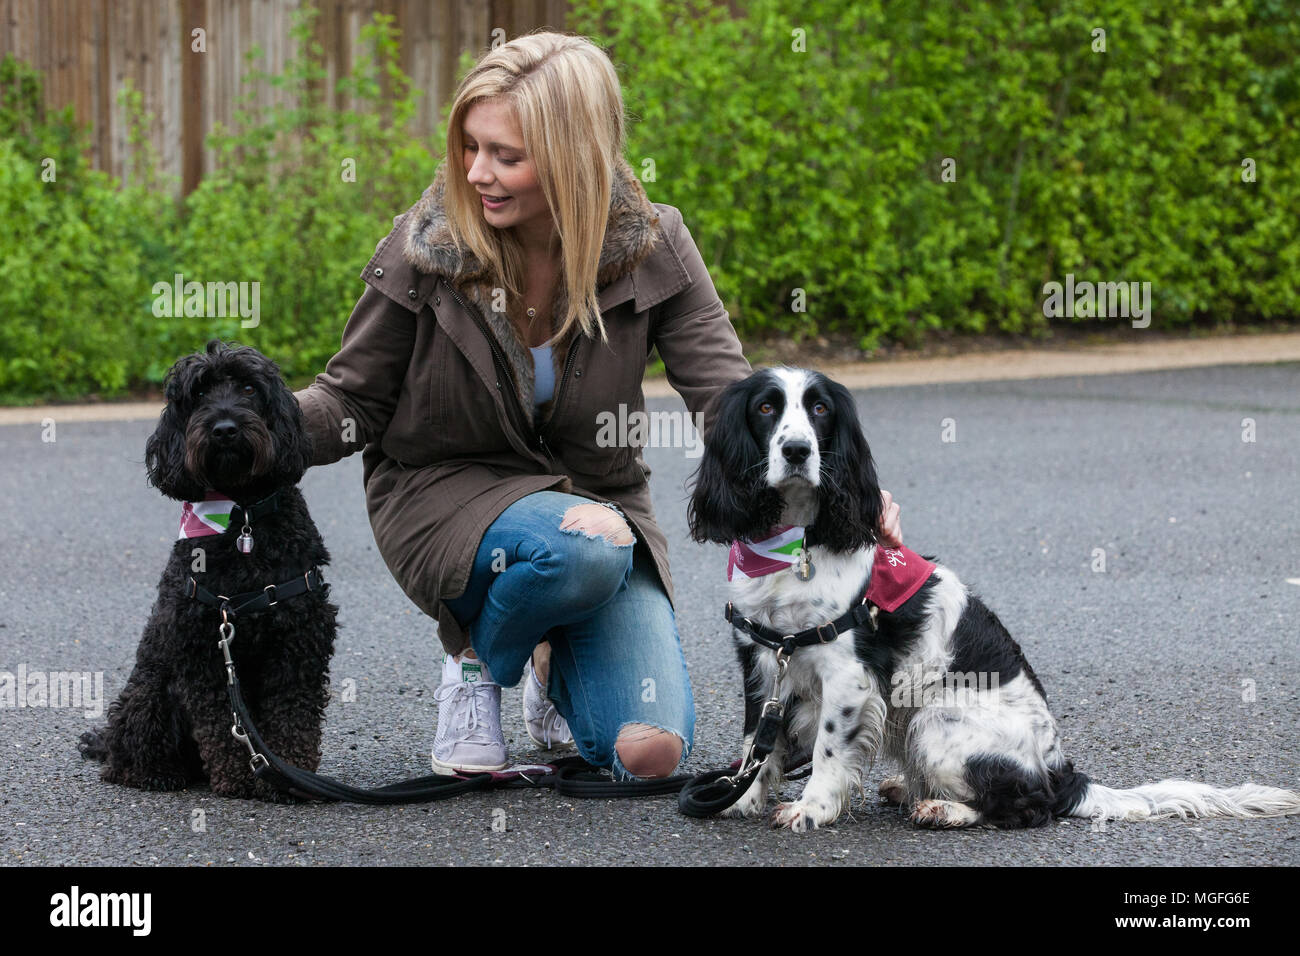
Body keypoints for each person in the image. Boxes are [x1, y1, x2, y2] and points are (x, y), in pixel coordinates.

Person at [295, 31, 902, 781]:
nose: (477, 172)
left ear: (573, 155)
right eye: (469, 147)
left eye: (506, 156)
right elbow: (349, 397)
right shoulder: (430, 245)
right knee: (583, 547)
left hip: (601, 507)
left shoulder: (653, 245)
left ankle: (549, 654)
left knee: (648, 755)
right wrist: (259, 429)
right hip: (445, 495)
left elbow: (728, 399)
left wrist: (850, 489)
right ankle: (479, 668)